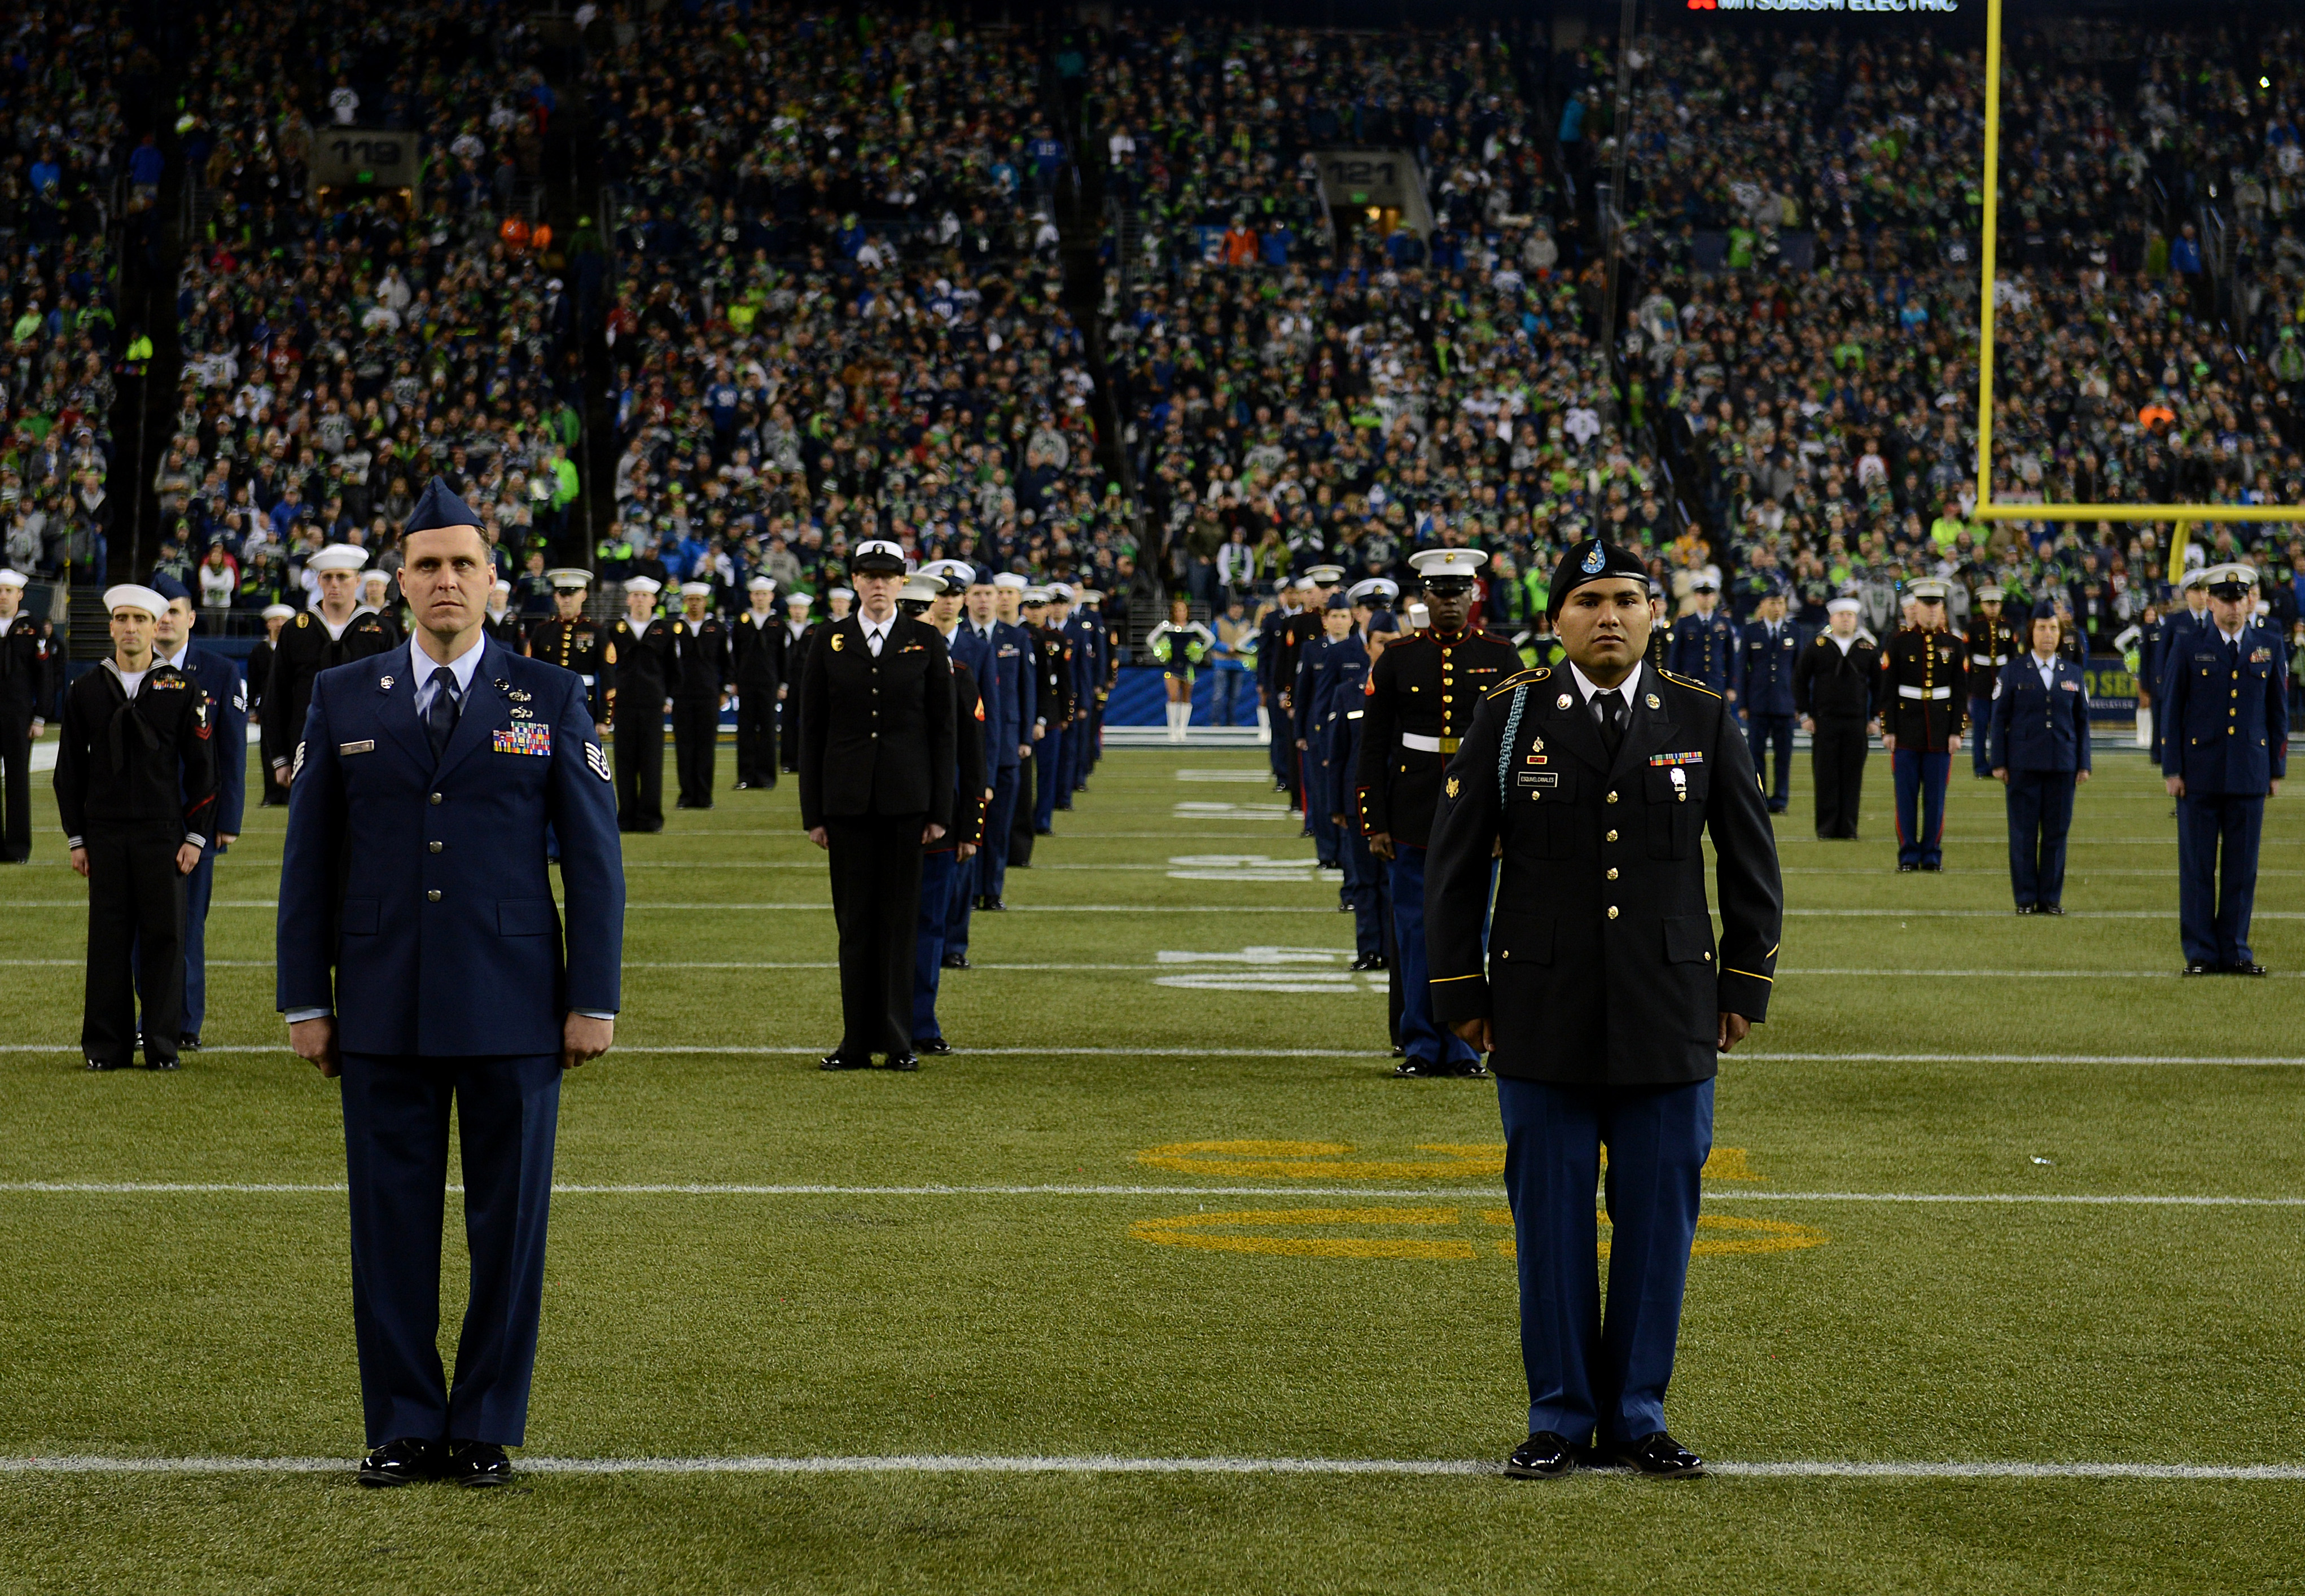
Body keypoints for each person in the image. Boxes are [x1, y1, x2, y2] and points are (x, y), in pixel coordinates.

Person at [275, 476, 624, 1490]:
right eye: (426, 565)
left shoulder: (550, 693)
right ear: (398, 582)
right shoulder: (343, 695)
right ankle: (401, 1423)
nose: (444, 581)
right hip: (380, 1001)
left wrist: (591, 997)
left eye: (461, 564)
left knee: (508, 1228)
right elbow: (311, 862)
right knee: (387, 1226)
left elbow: (594, 862)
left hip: (514, 999)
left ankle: (482, 1423)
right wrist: (307, 997)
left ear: (490, 580)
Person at [1423, 537, 1781, 1482]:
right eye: (1587, 600)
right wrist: (1459, 993)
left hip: (1671, 1009)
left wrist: (1742, 985)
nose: (1608, 614)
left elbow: (1750, 864)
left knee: (1658, 1221)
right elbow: (1453, 865)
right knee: (1548, 1224)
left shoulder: (1700, 717)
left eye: (1626, 597)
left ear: (1653, 613)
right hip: (1538, 1010)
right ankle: (1557, 1414)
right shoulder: (1509, 717)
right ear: (1554, 621)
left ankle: (1634, 1413)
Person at [1354, 547, 1521, 1078]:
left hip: (1477, 812)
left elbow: (1518, 748)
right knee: (1415, 931)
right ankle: (1422, 1043)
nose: (1449, 603)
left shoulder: (1501, 656)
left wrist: (1505, 822)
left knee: (1474, 929)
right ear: (1424, 598)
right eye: (1439, 594)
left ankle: (1466, 1046)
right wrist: (1374, 821)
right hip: (1412, 813)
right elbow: (1373, 745)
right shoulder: (1398, 657)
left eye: (1459, 594)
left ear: (1473, 596)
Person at [799, 539, 957, 1071]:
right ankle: (854, 1042)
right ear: (855, 581)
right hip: (845, 805)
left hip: (905, 803)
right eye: (868, 575)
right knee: (855, 925)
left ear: (902, 582)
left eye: (888, 576)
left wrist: (940, 811)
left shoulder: (926, 641)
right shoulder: (830, 639)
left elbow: (943, 731)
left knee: (898, 923)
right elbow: (812, 729)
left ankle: (897, 1040)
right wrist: (813, 814)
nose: (879, 584)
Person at [54, 584, 216, 1071]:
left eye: (139, 620)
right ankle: (106, 1046)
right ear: (111, 627)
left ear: (155, 627)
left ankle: (163, 1045)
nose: (130, 628)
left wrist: (195, 836)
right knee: (107, 940)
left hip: (163, 835)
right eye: (122, 619)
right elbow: (69, 772)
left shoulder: (183, 690)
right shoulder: (85, 690)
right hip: (104, 836)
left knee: (165, 939)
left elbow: (204, 769)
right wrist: (76, 837)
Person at [2159, 563, 2288, 975]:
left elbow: (2277, 712)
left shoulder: (2269, 645)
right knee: (2197, 867)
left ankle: (2235, 950)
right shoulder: (2187, 646)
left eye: (2240, 598)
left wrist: (2275, 769)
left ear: (2250, 600)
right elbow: (2172, 711)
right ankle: (2200, 952)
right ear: (2210, 601)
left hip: (2249, 770)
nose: (2234, 607)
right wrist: (2173, 769)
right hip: (2199, 772)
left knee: (2242, 868)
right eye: (2225, 599)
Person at [146, 576, 247, 1050]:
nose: (165, 619)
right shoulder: (133, 671)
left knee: (188, 923)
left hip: (196, 820)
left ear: (191, 618)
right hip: (140, 820)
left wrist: (227, 820)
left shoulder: (221, 672)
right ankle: (151, 1018)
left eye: (174, 610)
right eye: (157, 611)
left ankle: (185, 1023)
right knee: (143, 924)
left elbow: (232, 750)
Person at [905, 572, 987, 1056]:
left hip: (939, 824)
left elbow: (972, 759)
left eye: (923, 611)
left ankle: (921, 1021)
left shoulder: (958, 673)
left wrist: (971, 829)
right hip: (885, 821)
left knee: (931, 927)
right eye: (911, 611)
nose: (919, 620)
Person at [262, 545, 395, 803]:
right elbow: (276, 695)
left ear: (357, 581)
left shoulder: (381, 630)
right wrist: (280, 759)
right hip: (307, 746)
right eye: (328, 577)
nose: (335, 584)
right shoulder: (296, 630)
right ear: (319, 581)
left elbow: (395, 698)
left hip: (367, 749)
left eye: (343, 577)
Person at [1990, 602, 2093, 915]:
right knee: (2022, 834)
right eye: (2041, 628)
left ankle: (2050, 898)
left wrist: (2084, 762)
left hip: (2062, 763)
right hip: (2023, 764)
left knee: (2056, 834)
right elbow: (1998, 718)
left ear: (2060, 634)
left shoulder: (2073, 672)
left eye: (2053, 628)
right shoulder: (2013, 672)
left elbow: (2082, 721)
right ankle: (2024, 898)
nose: (2047, 635)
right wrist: (1998, 761)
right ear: (2030, 633)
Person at [1880, 577, 1967, 872]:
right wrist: (1888, 729)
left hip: (1941, 732)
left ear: (1942, 609)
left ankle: (1931, 854)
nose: (1931, 612)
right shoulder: (1899, 642)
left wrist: (1957, 731)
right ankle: (1908, 854)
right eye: (1925, 605)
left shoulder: (1954, 645)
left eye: (1936, 606)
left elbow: (1961, 692)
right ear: (1914, 608)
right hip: (1905, 730)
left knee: (1935, 799)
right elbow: (1888, 689)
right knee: (1905, 798)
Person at [1794, 597, 1881, 840]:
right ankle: (1826, 827)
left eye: (1850, 615)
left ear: (1856, 619)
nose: (1845, 619)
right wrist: (1805, 714)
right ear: (1832, 619)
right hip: (1825, 721)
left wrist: (1874, 717)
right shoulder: (1818, 646)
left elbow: (1880, 685)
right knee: (1825, 775)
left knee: (1853, 776)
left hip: (1857, 723)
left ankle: (1849, 827)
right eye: (1841, 615)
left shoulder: (1867, 648)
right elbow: (1800, 679)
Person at [608, 575, 680, 832]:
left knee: (652, 762)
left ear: (653, 600)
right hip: (625, 703)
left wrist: (669, 697)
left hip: (653, 704)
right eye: (635, 595)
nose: (639, 600)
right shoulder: (615, 629)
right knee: (624, 763)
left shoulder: (665, 630)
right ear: (628, 599)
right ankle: (626, 817)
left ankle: (651, 819)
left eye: (644, 596)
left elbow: (673, 667)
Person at [0, 567, 59, 861]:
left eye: (8, 591)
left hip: (18, 717)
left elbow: (44, 675)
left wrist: (39, 717)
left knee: (17, 782)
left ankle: (18, 847)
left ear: (20, 595)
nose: (3, 596)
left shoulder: (32, 628)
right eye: (0, 590)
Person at [527, 569, 613, 736]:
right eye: (562, 594)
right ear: (556, 597)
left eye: (572, 594)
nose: (567, 599)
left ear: (584, 595)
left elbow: (608, 676)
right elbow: (530, 673)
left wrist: (604, 718)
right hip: (548, 705)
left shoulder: (596, 631)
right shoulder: (542, 631)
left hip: (584, 706)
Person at [1738, 587, 1801, 814]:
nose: (1777, 608)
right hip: (1758, 703)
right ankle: (1760, 797)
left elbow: (1799, 671)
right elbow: (1743, 669)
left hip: (1785, 704)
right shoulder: (1751, 631)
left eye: (1781, 603)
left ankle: (1781, 799)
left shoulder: (1794, 631)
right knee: (1755, 755)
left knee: (1783, 757)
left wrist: (1800, 704)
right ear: (1763, 606)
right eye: (1772, 603)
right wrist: (1743, 703)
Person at [669, 581, 729, 810]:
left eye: (699, 600)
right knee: (684, 747)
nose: (694, 604)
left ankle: (704, 796)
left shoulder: (718, 628)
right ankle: (686, 795)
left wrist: (724, 689)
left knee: (706, 746)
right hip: (682, 695)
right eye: (691, 600)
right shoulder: (674, 628)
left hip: (708, 695)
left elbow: (726, 661)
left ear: (705, 602)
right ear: (685, 602)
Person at [1027, 587, 1073, 836]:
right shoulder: (1019, 634)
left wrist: (1067, 712)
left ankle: (1043, 820)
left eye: (1039, 608)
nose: (1035, 613)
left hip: (1052, 711)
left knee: (1048, 772)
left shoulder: (1058, 638)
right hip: (1024, 713)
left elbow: (1065, 679)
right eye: (1030, 608)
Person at [731, 575, 782, 789]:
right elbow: (734, 654)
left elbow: (783, 656)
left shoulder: (778, 624)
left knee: (769, 730)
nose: (760, 598)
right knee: (746, 730)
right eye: (757, 594)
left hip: (769, 683)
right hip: (746, 682)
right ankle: (746, 776)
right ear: (751, 596)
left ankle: (767, 777)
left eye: (764, 594)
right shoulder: (742, 622)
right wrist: (732, 680)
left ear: (771, 597)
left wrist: (784, 683)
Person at [1964, 585, 2019, 778]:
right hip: (1980, 682)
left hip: (2002, 681)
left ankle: (2000, 764)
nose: (1993, 608)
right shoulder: (1974, 626)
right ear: (1982, 604)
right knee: (1980, 728)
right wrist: (1968, 684)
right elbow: (1967, 657)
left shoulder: (2008, 626)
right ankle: (1980, 767)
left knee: (2002, 727)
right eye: (1989, 604)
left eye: (1996, 604)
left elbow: (2014, 656)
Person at [1145, 595, 1213, 743]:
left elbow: (1211, 638)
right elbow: (1151, 639)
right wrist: (1161, 651)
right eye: (1178, 610)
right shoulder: (1166, 626)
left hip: (1188, 666)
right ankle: (1172, 730)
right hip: (1171, 665)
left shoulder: (1193, 627)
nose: (1181, 613)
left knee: (1186, 697)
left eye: (1184, 610)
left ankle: (1183, 730)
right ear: (1173, 612)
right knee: (1174, 696)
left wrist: (1199, 651)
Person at [247, 603, 295, 803]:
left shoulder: (295, 648)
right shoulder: (259, 650)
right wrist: (252, 709)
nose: (279, 624)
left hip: (292, 708)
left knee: (293, 750)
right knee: (268, 751)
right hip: (267, 709)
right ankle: (272, 794)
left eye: (283, 620)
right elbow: (253, 681)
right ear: (267, 624)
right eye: (275, 620)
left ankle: (292, 793)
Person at [1666, 575, 1741, 701]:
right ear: (1696, 596)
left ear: (1715, 597)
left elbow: (1731, 657)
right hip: (1690, 682)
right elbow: (1676, 656)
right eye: (1702, 594)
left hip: (1717, 682)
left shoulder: (1724, 623)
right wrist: (1675, 683)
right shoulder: (1684, 623)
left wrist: (1731, 686)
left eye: (1710, 594)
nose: (1706, 598)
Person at [775, 590, 817, 776]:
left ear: (807, 610)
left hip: (808, 682)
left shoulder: (816, 630)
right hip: (788, 683)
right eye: (794, 608)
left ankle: (806, 760)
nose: (798, 612)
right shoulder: (783, 629)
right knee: (788, 722)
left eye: (801, 608)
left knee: (809, 722)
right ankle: (788, 760)